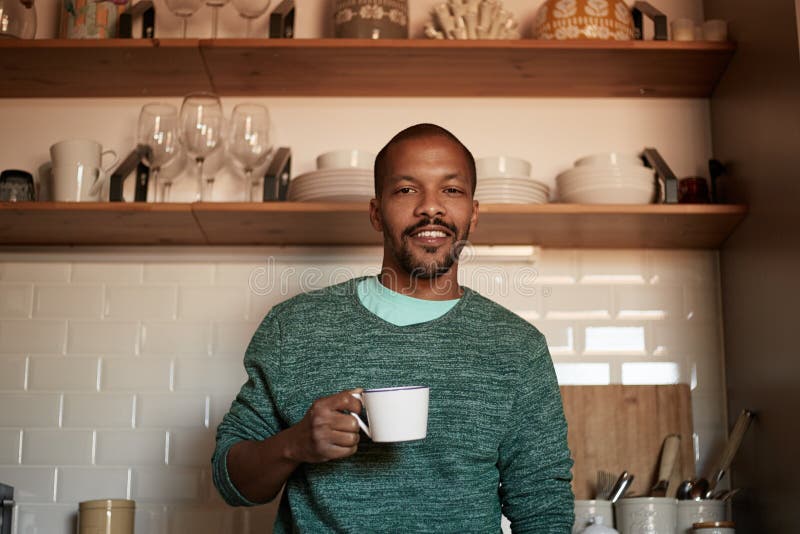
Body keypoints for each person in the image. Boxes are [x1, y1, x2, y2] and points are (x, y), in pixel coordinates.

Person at [212, 123, 575, 532]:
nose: (431, 208)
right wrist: (294, 444)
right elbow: (232, 483)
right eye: (406, 189)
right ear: (376, 212)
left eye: (451, 190)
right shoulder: (293, 327)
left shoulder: (517, 347)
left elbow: (544, 508)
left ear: (473, 213)